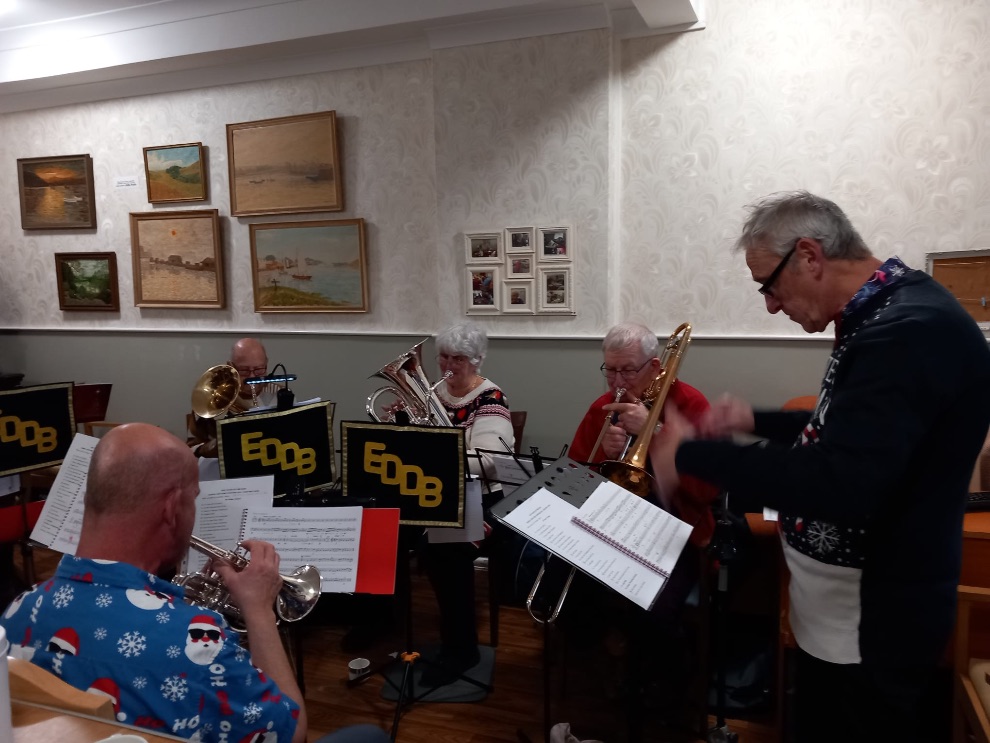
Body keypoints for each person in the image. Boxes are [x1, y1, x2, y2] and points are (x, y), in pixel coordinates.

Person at [653, 191, 990, 743]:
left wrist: (690, 454)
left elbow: (839, 482)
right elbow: (857, 428)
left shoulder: (907, 332)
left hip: (874, 622)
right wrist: (753, 420)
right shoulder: (883, 311)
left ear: (809, 255)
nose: (769, 304)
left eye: (768, 284)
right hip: (843, 619)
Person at [0, 423, 389, 743]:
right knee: (368, 736)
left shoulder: (19, 612)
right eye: (194, 499)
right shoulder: (197, 643)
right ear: (171, 508)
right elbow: (290, 732)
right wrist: (257, 611)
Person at [419, 321, 514, 686]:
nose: (448, 364)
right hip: (434, 493)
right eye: (443, 355)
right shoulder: (433, 394)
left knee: (445, 549)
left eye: (457, 358)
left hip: (486, 499)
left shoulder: (490, 398)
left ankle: (462, 649)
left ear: (475, 360)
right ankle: (377, 621)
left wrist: (433, 452)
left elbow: (488, 460)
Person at [187, 337, 280, 458]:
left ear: (266, 364)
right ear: (230, 366)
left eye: (259, 370)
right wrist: (209, 448)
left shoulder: (280, 394)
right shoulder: (211, 396)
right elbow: (188, 450)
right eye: (244, 371)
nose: (252, 377)